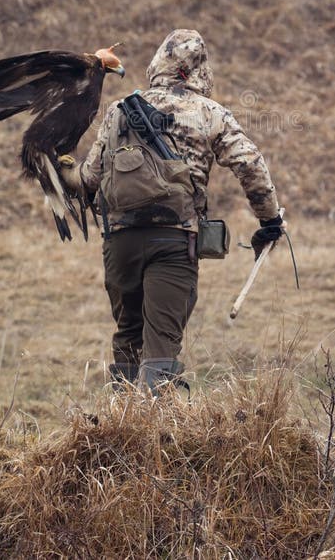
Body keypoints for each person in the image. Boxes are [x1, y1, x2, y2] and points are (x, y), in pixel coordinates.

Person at [62, 29, 282, 393]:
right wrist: (269, 220)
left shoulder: (119, 111)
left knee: (128, 338)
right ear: (198, 69)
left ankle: (121, 430)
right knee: (161, 346)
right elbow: (250, 164)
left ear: (157, 65)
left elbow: (88, 179)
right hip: (174, 242)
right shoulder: (209, 113)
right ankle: (156, 433)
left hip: (120, 244)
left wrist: (61, 168)